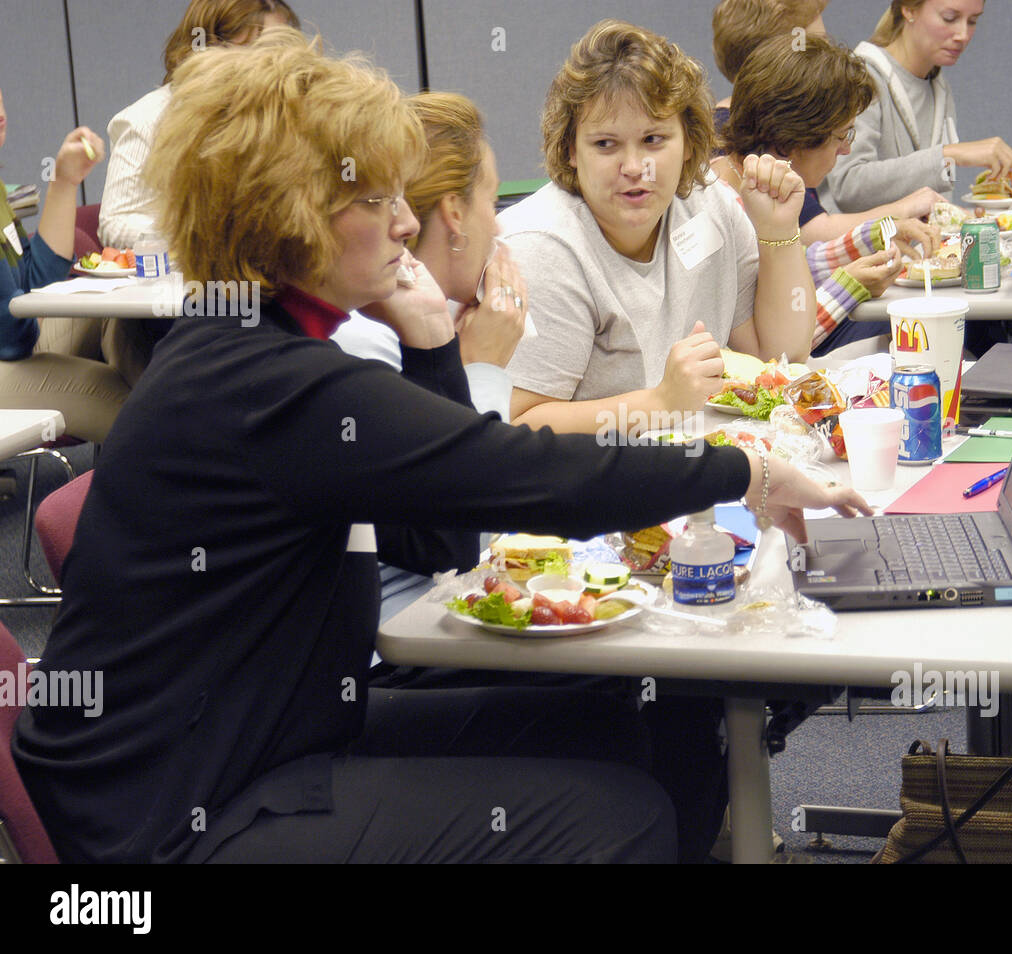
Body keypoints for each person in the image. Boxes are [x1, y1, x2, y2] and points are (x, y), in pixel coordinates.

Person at [12, 28, 867, 865]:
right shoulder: (278, 383)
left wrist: (429, 347)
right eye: (377, 201)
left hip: (251, 740)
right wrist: (748, 469)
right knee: (621, 815)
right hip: (184, 813)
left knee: (615, 720)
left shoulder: (257, 341)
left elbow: (440, 540)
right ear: (296, 215)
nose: (403, 226)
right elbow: (530, 477)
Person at [502, 19, 816, 434]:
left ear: (688, 141)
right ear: (570, 150)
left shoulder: (707, 203)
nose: (635, 168)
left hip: (685, 467)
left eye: (653, 139)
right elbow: (520, 423)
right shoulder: (544, 248)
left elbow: (781, 354)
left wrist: (778, 232)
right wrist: (660, 403)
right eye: (605, 144)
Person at [332, 91, 528, 620]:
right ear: (456, 213)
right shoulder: (363, 339)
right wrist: (479, 370)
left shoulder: (450, 317)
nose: (501, 226)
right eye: (491, 200)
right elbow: (465, 538)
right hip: (396, 641)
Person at [712, 35, 942, 352]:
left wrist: (876, 233)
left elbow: (798, 264)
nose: (847, 148)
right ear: (790, 137)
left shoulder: (752, 179)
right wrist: (849, 285)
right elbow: (774, 351)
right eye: (840, 136)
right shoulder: (726, 208)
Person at [710, 0, 942, 225]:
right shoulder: (730, 187)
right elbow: (814, 233)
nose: (846, 149)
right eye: (814, 44)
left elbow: (807, 252)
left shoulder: (775, 164)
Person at [97, 0, 299, 249]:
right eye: (261, 47)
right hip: (190, 280)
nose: (278, 62)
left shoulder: (288, 114)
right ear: (212, 46)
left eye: (283, 48)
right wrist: (203, 240)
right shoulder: (147, 118)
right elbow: (116, 224)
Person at [0, 85, 128, 444]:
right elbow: (12, 338)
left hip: (14, 344)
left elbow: (33, 280)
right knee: (136, 411)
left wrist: (65, 180)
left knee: (119, 315)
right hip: (7, 354)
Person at [823, 0, 1012, 213]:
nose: (963, 34)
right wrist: (949, 154)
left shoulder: (938, 87)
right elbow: (847, 187)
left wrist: (959, 216)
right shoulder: (861, 78)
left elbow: (929, 195)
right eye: (949, 18)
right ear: (908, 9)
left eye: (972, 21)